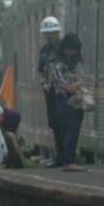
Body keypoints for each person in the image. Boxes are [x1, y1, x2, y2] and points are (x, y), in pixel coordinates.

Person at [47, 33, 88, 171]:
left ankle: (70, 159)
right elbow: (64, 85)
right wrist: (77, 83)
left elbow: (82, 77)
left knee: (75, 128)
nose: (74, 52)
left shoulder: (75, 59)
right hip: (63, 99)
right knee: (70, 128)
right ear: (66, 47)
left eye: (76, 50)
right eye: (72, 49)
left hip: (77, 97)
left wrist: (76, 83)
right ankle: (68, 160)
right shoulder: (56, 62)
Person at [38, 15, 64, 167]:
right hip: (49, 91)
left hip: (63, 91)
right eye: (47, 34)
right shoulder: (44, 50)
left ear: (58, 32)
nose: (50, 36)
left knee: (63, 123)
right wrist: (44, 83)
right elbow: (40, 69)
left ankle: (66, 155)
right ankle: (59, 155)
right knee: (54, 122)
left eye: (53, 33)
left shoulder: (63, 48)